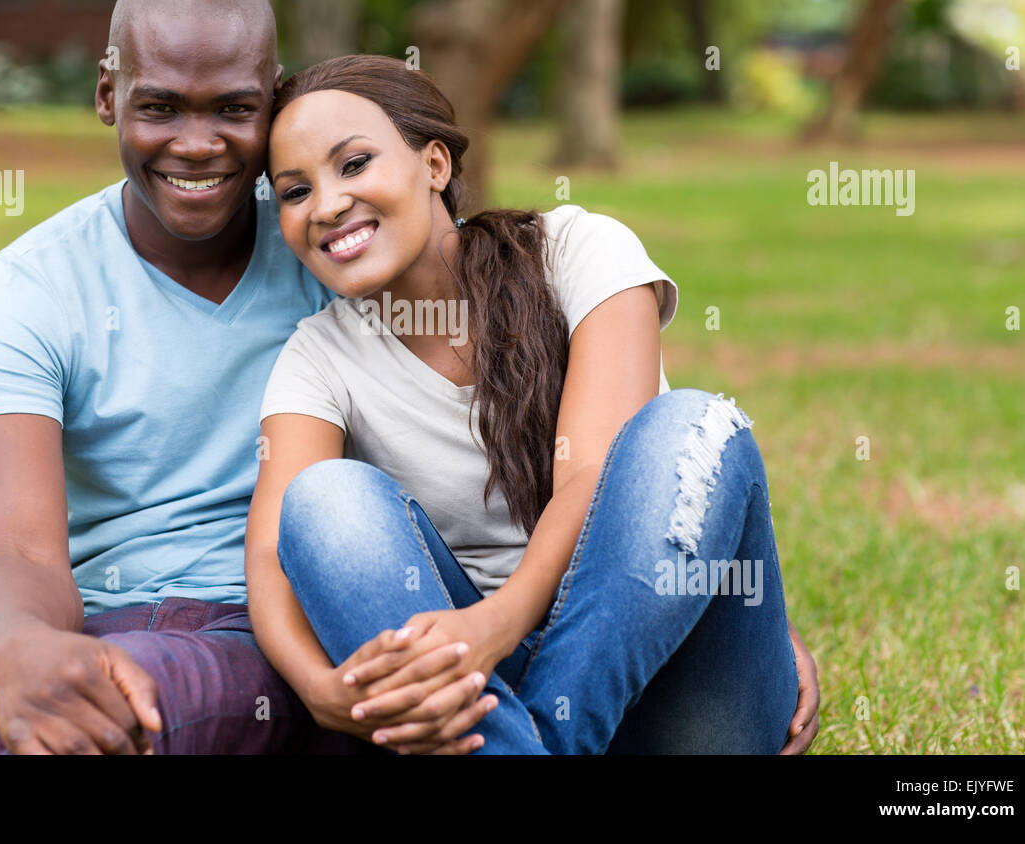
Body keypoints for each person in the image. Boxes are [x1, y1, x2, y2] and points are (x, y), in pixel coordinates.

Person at [246, 54, 821, 754]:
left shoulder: (580, 251)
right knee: (323, 498)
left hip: (668, 684)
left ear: (434, 165)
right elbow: (276, 548)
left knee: (691, 424)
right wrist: (316, 687)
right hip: (482, 702)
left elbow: (594, 476)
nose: (328, 205)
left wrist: (493, 626)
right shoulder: (319, 357)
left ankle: (544, 740)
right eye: (295, 191)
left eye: (354, 163)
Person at [0, 0, 364, 754]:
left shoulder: (333, 249)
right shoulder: (30, 287)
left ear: (275, 98)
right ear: (107, 95)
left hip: (268, 627)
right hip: (96, 619)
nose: (197, 146)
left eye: (234, 109)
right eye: (160, 107)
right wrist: (27, 649)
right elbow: (16, 548)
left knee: (123, 714)